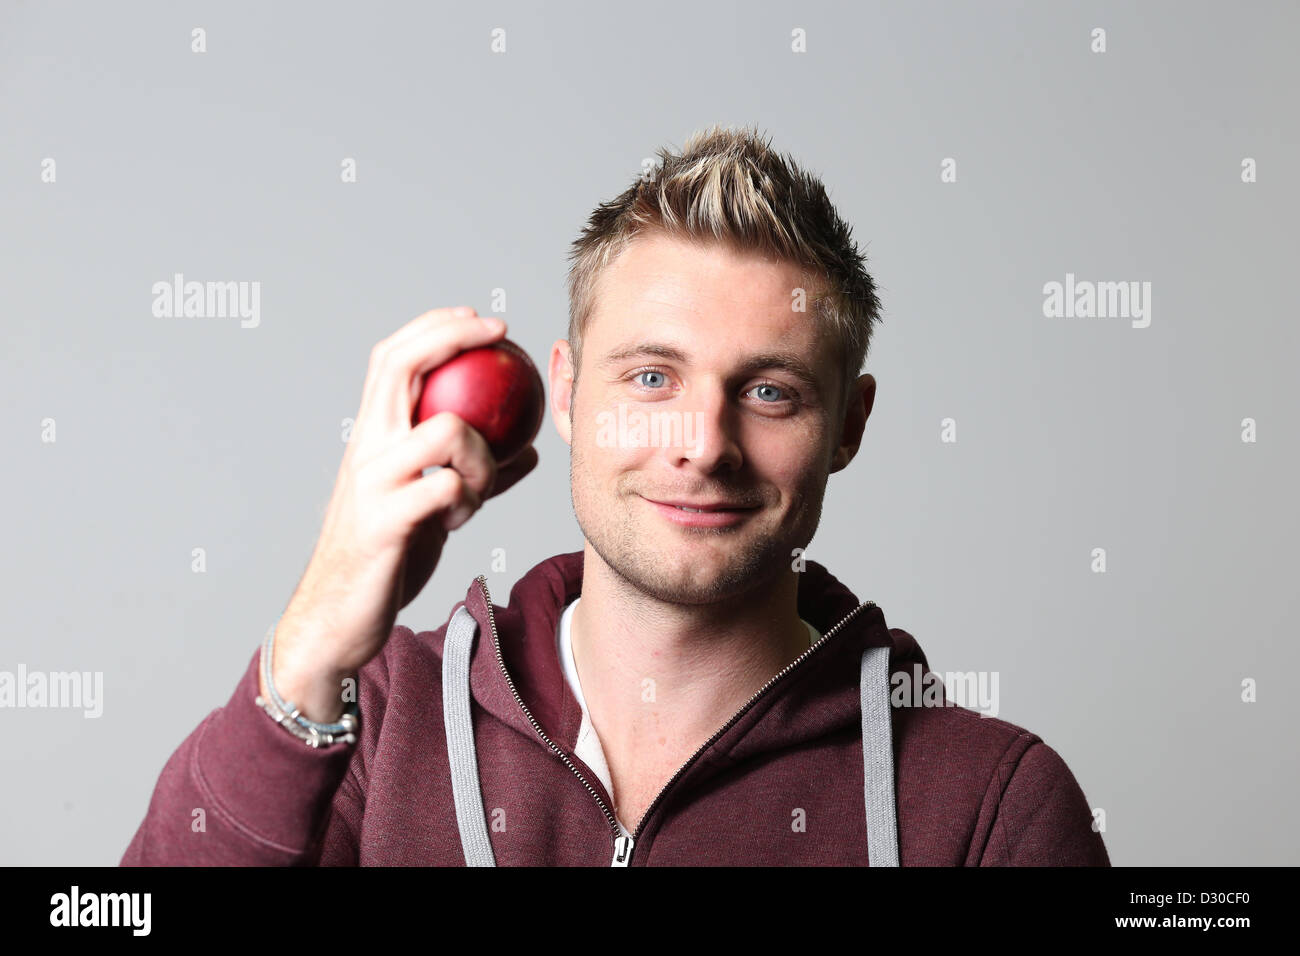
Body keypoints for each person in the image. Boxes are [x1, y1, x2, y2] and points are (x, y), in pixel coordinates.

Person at [121, 125, 1109, 866]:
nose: (703, 445)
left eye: (769, 391)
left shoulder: (990, 804)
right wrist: (308, 648)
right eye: (650, 376)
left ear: (847, 424)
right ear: (568, 390)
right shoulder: (379, 726)